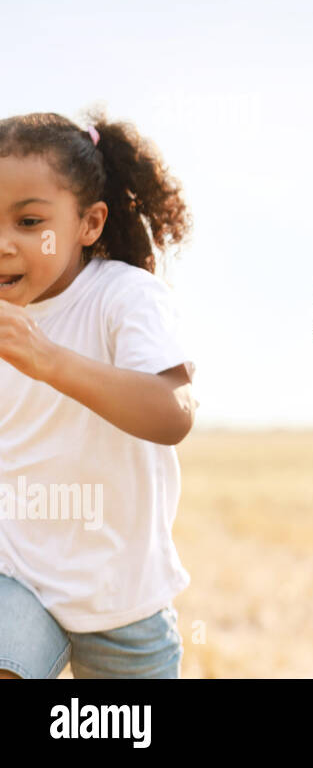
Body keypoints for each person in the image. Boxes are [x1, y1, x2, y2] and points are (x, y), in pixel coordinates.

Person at [0, 111, 197, 679]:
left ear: (88, 223)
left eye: (29, 221)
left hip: (121, 600)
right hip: (17, 578)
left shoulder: (124, 297)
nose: (3, 244)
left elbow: (173, 413)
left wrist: (49, 361)